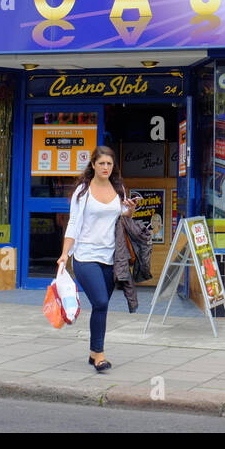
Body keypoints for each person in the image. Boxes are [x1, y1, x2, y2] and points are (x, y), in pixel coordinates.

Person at [58, 146, 140, 372]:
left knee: (99, 306)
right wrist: (65, 254)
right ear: (93, 164)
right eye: (101, 163)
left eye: (109, 164)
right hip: (85, 256)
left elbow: (122, 216)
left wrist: (130, 210)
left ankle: (94, 351)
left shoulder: (118, 188)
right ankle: (100, 356)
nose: (105, 167)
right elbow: (73, 223)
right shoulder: (82, 192)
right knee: (101, 302)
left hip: (111, 257)